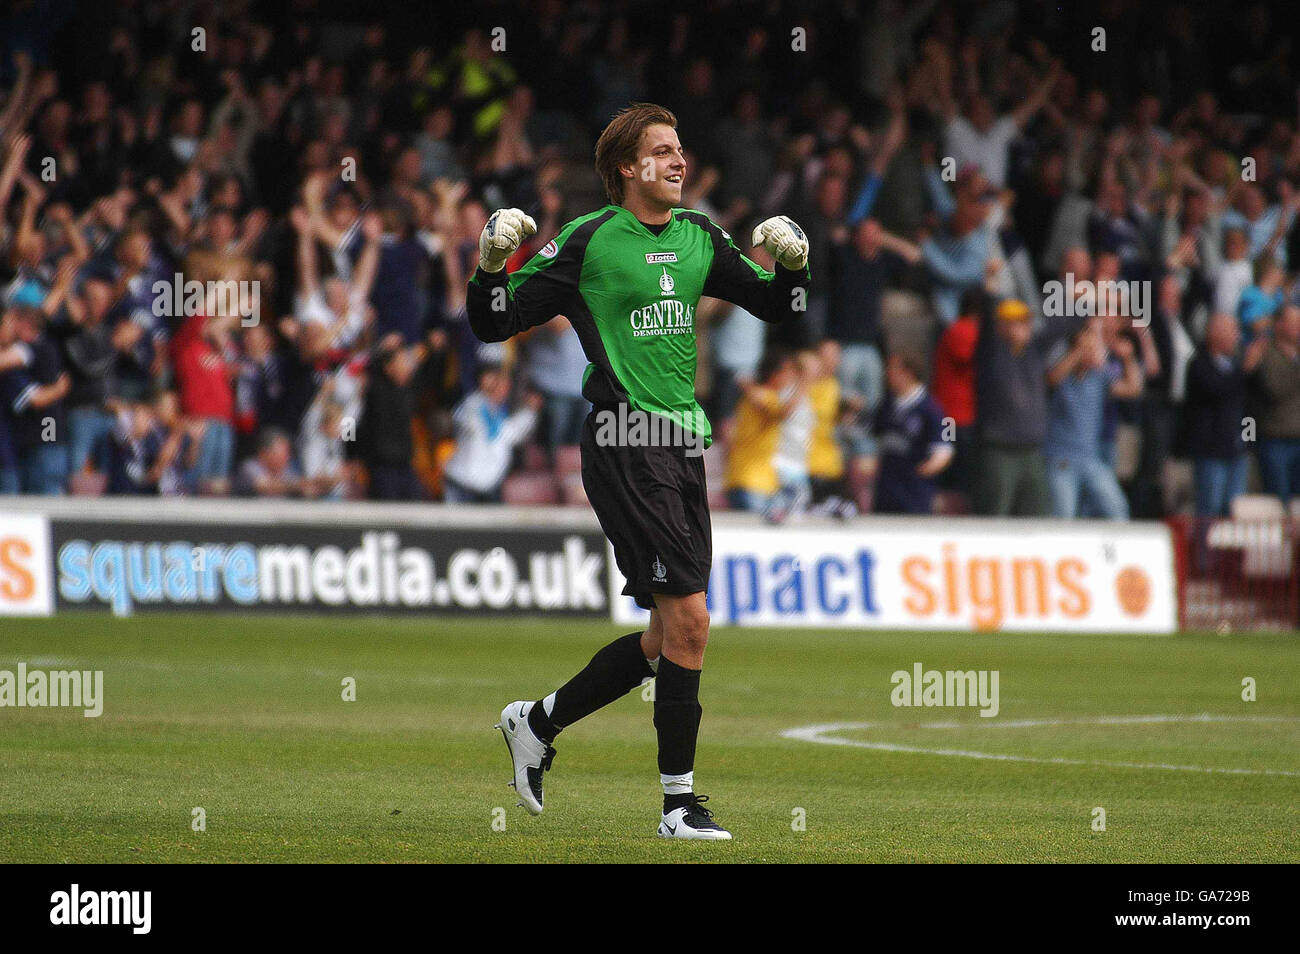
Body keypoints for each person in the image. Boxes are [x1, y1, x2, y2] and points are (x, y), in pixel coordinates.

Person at [467, 103, 809, 840]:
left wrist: (796, 267)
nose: (679, 161)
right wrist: (492, 266)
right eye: (661, 151)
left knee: (665, 638)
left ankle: (535, 723)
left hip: (684, 444)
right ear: (626, 168)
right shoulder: (590, 240)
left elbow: (778, 309)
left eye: (680, 149)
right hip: (626, 441)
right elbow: (495, 322)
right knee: (691, 622)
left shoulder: (698, 237)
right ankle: (678, 806)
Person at [442, 360, 541, 503]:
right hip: (462, 485)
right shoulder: (473, 404)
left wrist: (530, 411)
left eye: (506, 385)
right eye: (499, 382)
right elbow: (477, 424)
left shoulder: (500, 414)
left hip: (489, 488)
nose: (503, 388)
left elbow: (510, 434)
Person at [870, 351, 952, 514]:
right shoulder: (886, 405)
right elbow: (875, 436)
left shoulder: (933, 409)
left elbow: (946, 446)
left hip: (914, 494)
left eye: (893, 369)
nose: (888, 374)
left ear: (908, 373)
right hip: (886, 491)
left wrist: (923, 471)